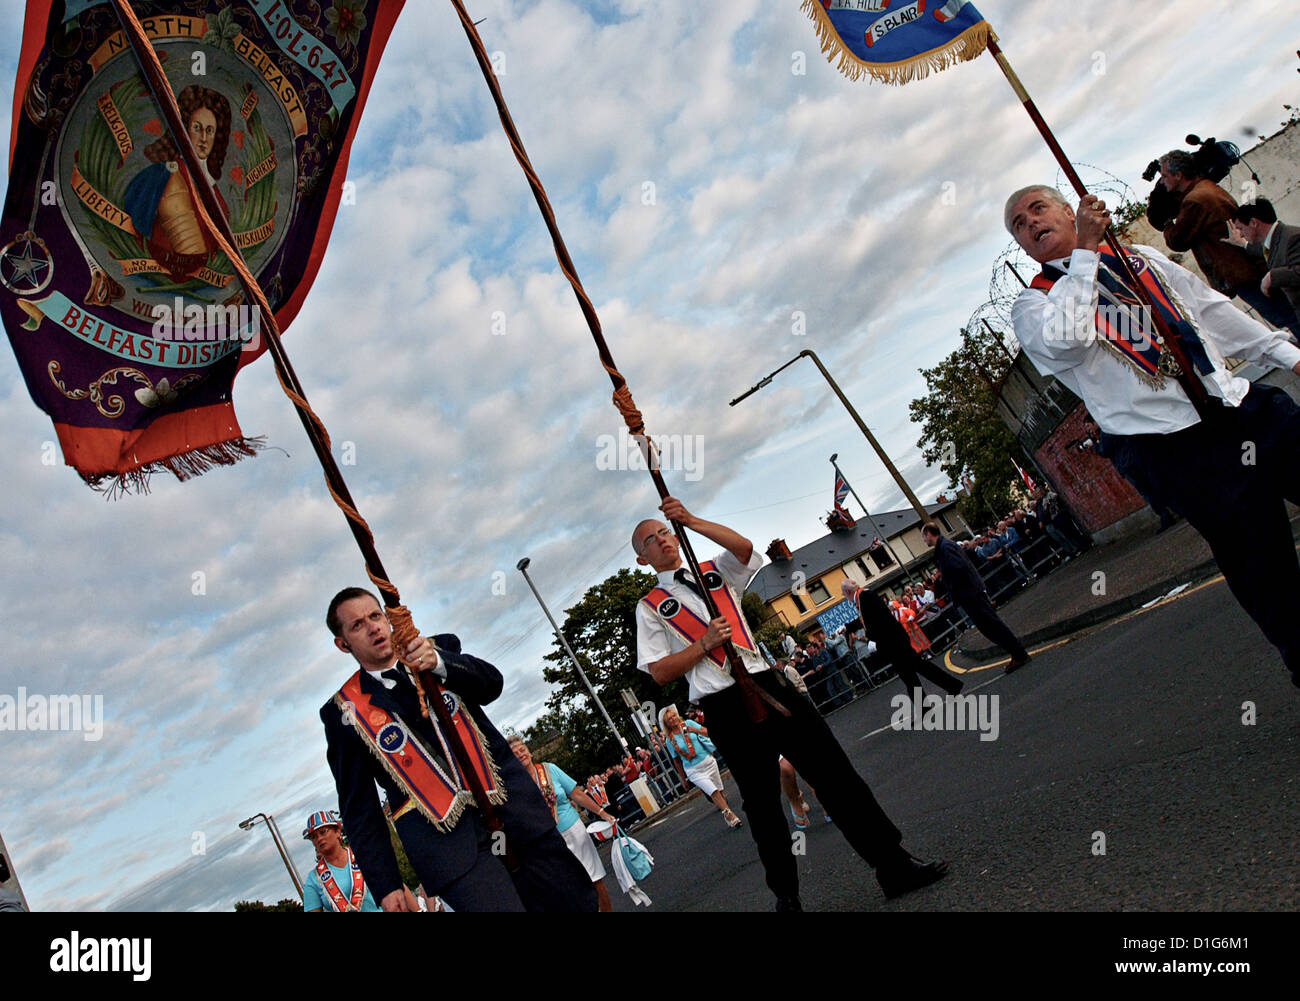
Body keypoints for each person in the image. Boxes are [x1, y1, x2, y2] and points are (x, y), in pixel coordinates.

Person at [1005, 184, 1300, 688]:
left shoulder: (1136, 258)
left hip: (1238, 405)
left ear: (1068, 210)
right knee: (1264, 572)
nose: (1030, 222)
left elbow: (1209, 313)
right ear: (1024, 246)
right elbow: (1069, 339)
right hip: (1179, 449)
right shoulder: (1035, 306)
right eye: (1018, 225)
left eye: (1037, 208)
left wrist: (1288, 354)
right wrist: (1083, 256)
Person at [633, 497, 948, 909]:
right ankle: (787, 899)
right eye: (650, 541)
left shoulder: (713, 571)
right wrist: (703, 645)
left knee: (834, 771)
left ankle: (892, 864)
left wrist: (690, 520)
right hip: (724, 705)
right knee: (763, 807)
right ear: (643, 560)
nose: (661, 540)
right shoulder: (650, 606)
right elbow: (658, 671)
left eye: (664, 532)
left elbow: (745, 548)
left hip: (767, 682)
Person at [319, 587, 597, 912]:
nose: (372, 628)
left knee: (575, 904)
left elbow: (492, 684)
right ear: (343, 644)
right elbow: (359, 809)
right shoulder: (343, 712)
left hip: (514, 814)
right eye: (357, 625)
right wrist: (386, 884)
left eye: (375, 616)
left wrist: (439, 663)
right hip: (450, 851)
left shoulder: (437, 650)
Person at [1156, 151, 1297, 335]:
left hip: (1242, 273)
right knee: (1289, 316)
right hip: (1251, 266)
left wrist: (1165, 222)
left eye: (1165, 176)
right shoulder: (1206, 188)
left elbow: (1178, 240)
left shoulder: (1195, 201)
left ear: (1179, 175)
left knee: (1288, 320)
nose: (1162, 182)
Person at [508, 737, 617, 912]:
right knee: (570, 888)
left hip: (573, 830)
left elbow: (577, 795)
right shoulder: (516, 785)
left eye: (522, 749)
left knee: (594, 877)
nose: (521, 755)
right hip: (548, 841)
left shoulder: (549, 769)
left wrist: (602, 813)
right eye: (515, 754)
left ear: (529, 751)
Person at [921, 524, 1029, 673]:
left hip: (969, 593)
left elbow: (959, 569)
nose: (923, 540)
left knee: (992, 625)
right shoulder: (944, 547)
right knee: (989, 627)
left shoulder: (945, 547)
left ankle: (1018, 653)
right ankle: (1016, 653)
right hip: (969, 593)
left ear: (929, 534)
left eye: (923, 536)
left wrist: (951, 584)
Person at [845, 579, 962, 699]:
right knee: (912, 674)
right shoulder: (864, 596)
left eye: (844, 595)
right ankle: (948, 689)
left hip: (893, 643)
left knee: (913, 673)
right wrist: (848, 627)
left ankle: (949, 688)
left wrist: (872, 640)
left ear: (848, 592)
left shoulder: (864, 597)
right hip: (895, 640)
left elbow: (878, 620)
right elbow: (867, 619)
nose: (846, 598)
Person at [658, 705, 743, 829]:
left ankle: (722, 804)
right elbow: (676, 761)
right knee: (712, 791)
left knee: (718, 791)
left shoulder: (688, 724)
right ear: (667, 724)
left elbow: (707, 732)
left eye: (674, 716)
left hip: (708, 762)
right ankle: (730, 815)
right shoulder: (669, 740)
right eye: (669, 719)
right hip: (693, 770)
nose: (673, 719)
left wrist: (695, 730)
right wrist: (683, 779)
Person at [1228, 199, 1300, 329]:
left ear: (1254, 223)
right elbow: (1266, 251)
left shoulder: (1293, 238)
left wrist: (1272, 277)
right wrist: (1242, 243)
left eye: (1241, 228)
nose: (1240, 234)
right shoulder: (1277, 239)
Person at [301, 810, 383, 913]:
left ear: (337, 831)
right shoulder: (314, 879)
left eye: (323, 832)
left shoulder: (363, 855)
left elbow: (394, 885)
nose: (319, 839)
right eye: (313, 837)